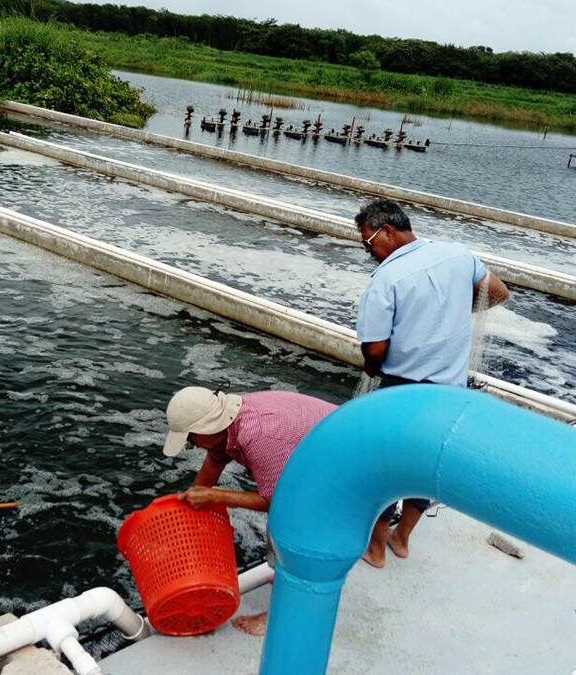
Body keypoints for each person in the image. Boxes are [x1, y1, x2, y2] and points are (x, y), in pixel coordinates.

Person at [354, 199, 509, 568]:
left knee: (386, 465)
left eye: (368, 243)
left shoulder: (387, 279)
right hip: (449, 390)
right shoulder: (457, 255)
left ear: (388, 231)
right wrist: (454, 312)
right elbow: (498, 291)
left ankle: (375, 549)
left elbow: (375, 347)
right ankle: (402, 538)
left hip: (403, 388)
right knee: (426, 465)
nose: (368, 252)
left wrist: (371, 367)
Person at [162, 386, 338, 636]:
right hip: (324, 444)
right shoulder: (227, 426)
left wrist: (216, 496)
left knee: (285, 530)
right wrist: (183, 514)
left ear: (206, 429)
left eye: (190, 439)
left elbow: (274, 501)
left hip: (345, 458)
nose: (192, 445)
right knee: (287, 528)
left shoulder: (258, 436)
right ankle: (290, 579)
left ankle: (283, 615)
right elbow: (211, 468)